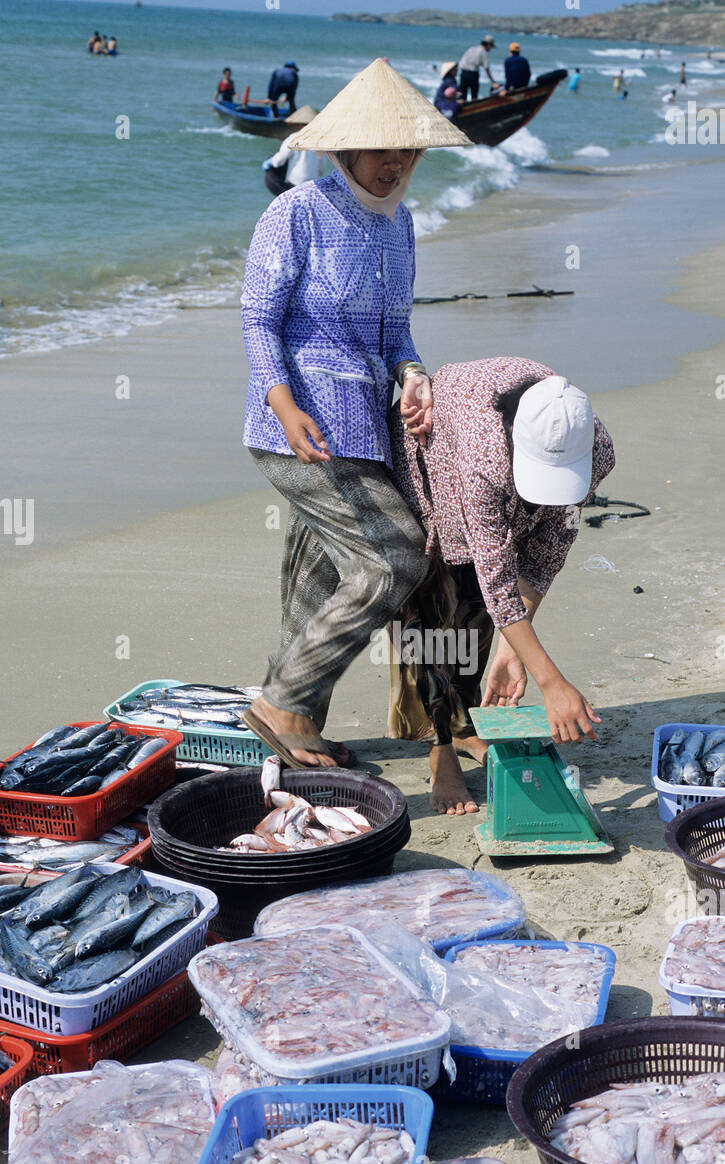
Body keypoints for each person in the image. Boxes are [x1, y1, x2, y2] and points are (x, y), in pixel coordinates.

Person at [239, 60, 471, 769]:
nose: (393, 163)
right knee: (395, 555)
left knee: (317, 579)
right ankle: (280, 702)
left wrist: (411, 373)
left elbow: (396, 332)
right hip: (299, 426)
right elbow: (257, 318)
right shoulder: (297, 213)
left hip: (368, 427)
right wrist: (282, 402)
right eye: (379, 150)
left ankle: (300, 723)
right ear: (342, 152)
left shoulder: (401, 228)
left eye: (405, 152)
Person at [387, 359, 616, 815]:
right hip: (431, 460)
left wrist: (515, 651)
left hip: (481, 464)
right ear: (513, 440)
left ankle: (464, 720)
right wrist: (552, 682)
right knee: (428, 611)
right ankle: (441, 748)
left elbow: (549, 547)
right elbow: (499, 584)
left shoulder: (596, 448)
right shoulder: (482, 460)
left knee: (476, 607)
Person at [262, 108, 325, 197]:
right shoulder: (319, 141)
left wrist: (270, 162)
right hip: (312, 185)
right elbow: (321, 168)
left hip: (295, 183)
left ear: (297, 125)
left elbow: (280, 159)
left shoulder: (293, 138)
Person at [457, 35, 497, 102]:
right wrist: (493, 82)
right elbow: (486, 69)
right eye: (491, 47)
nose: (490, 49)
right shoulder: (483, 52)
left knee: (463, 96)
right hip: (473, 75)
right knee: (474, 97)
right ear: (488, 45)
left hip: (463, 74)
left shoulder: (472, 48)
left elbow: (462, 62)